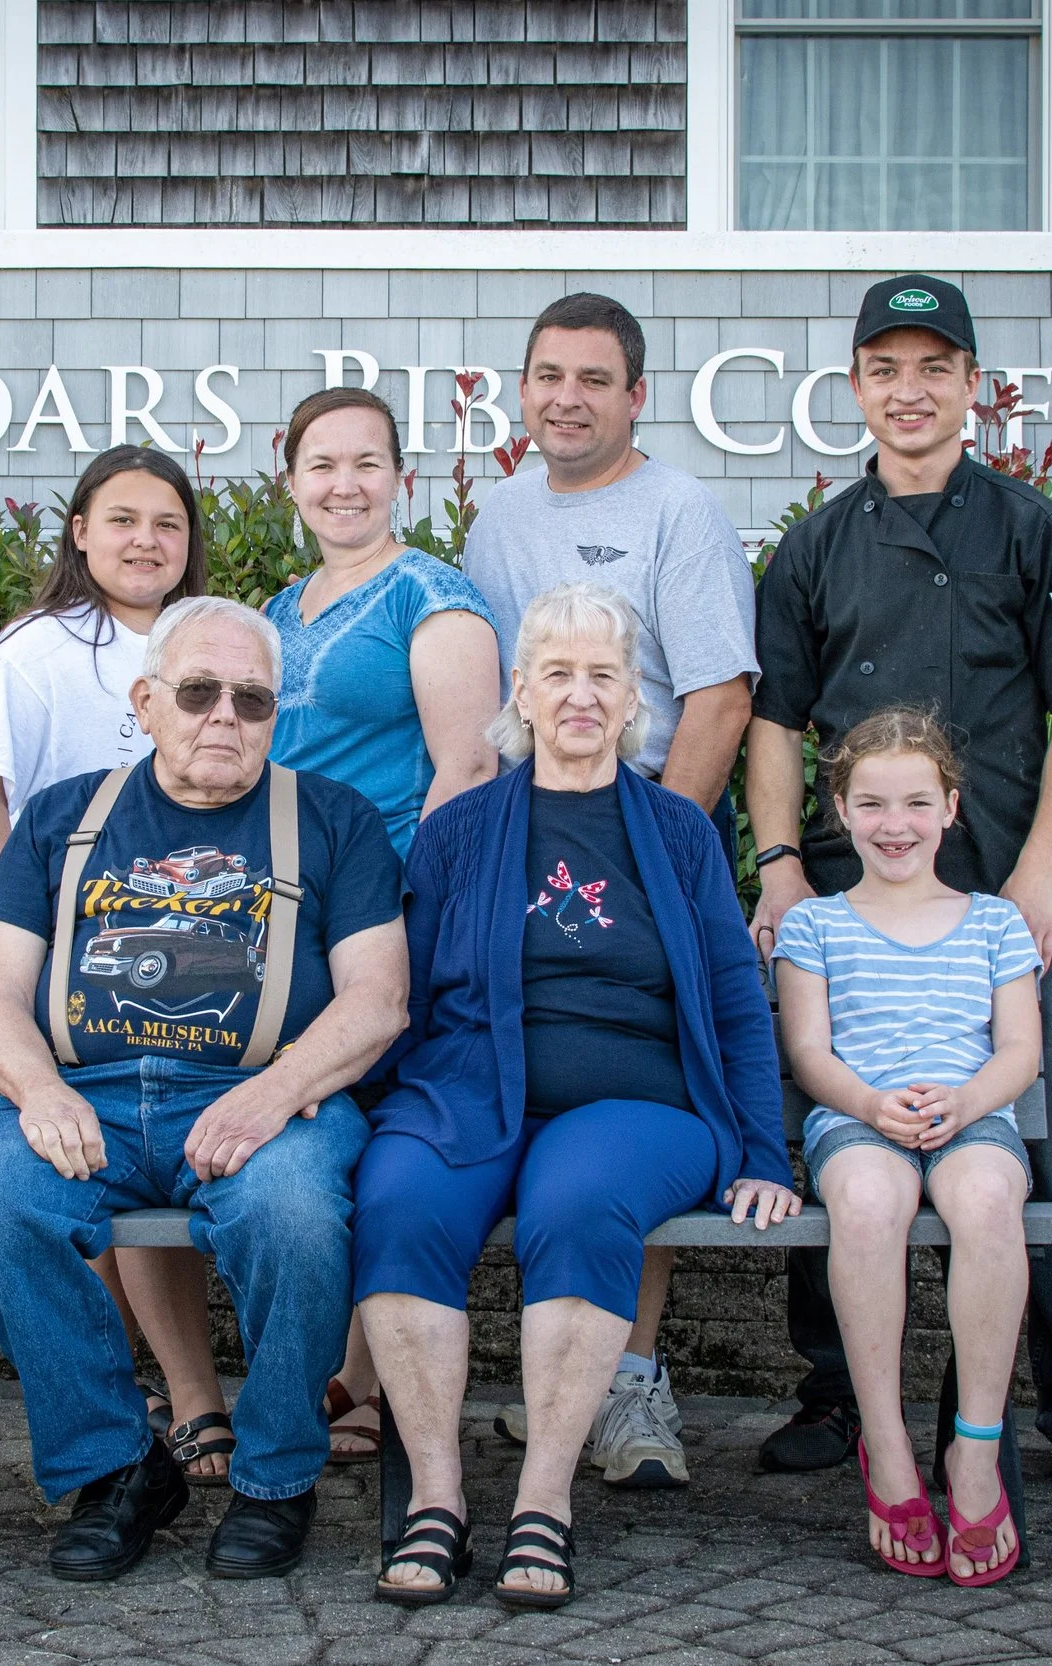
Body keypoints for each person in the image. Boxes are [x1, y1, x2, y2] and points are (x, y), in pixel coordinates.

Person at [749, 273, 1052, 1497]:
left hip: (997, 893)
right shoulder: (815, 544)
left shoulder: (1031, 529)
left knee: (1051, 1145)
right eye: (885, 369)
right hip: (848, 902)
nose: (908, 391)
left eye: (934, 368)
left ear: (972, 387)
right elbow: (775, 718)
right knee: (837, 1128)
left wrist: (1040, 874)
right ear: (857, 388)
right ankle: (836, 1386)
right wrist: (776, 868)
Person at [0, 596, 410, 1583]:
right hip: (90, 1095)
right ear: (145, 700)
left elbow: (378, 1001)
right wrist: (36, 1091)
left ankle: (277, 1478)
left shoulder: (333, 820)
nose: (224, 716)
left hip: (263, 1097)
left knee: (292, 1213)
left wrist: (278, 1088)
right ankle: (118, 1469)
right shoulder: (63, 819)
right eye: (198, 692)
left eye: (252, 699)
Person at [355, 584, 799, 1611]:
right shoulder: (457, 832)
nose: (580, 695)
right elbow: (405, 993)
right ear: (520, 688)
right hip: (464, 1088)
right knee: (398, 1201)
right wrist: (374, 1113)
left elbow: (734, 992)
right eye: (557, 672)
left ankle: (543, 1503)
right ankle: (435, 1498)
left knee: (576, 1203)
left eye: (603, 674)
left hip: (635, 1105)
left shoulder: (679, 833)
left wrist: (762, 1152)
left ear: (632, 695)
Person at [463, 292, 760, 1488]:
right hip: (524, 827)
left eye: (593, 378)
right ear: (522, 390)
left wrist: (659, 852)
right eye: (547, 376)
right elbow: (504, 696)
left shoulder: (678, 509)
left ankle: (633, 1386)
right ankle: (561, 1380)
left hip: (643, 825)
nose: (566, 397)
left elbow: (719, 694)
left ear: (635, 395)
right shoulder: (497, 515)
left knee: (638, 1070)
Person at [0, 445, 238, 1485]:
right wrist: (24, 913)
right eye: (121, 519)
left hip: (193, 934)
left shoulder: (212, 640)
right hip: (72, 945)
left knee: (157, 1140)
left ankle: (188, 1393)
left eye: (167, 522)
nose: (145, 540)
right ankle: (152, 1400)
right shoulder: (35, 650)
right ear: (79, 531)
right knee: (70, 1156)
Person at [264, 384, 504, 1462]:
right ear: (291, 484)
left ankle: (362, 1382)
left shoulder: (433, 597)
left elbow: (468, 765)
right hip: (284, 918)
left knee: (379, 1119)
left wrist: (415, 910)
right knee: (323, 1126)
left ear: (400, 478)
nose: (343, 484)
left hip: (391, 906)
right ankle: (333, 1370)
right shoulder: (275, 609)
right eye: (322, 464)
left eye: (366, 462)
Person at [772, 708, 1040, 1587]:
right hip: (860, 1117)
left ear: (951, 808)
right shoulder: (816, 926)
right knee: (867, 1203)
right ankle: (886, 1448)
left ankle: (974, 1449)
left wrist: (966, 1102)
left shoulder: (995, 922)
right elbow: (809, 1052)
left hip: (971, 1116)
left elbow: (1020, 1053)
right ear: (841, 812)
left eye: (918, 803)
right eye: (874, 803)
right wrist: (868, 1103)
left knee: (990, 1203)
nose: (897, 824)